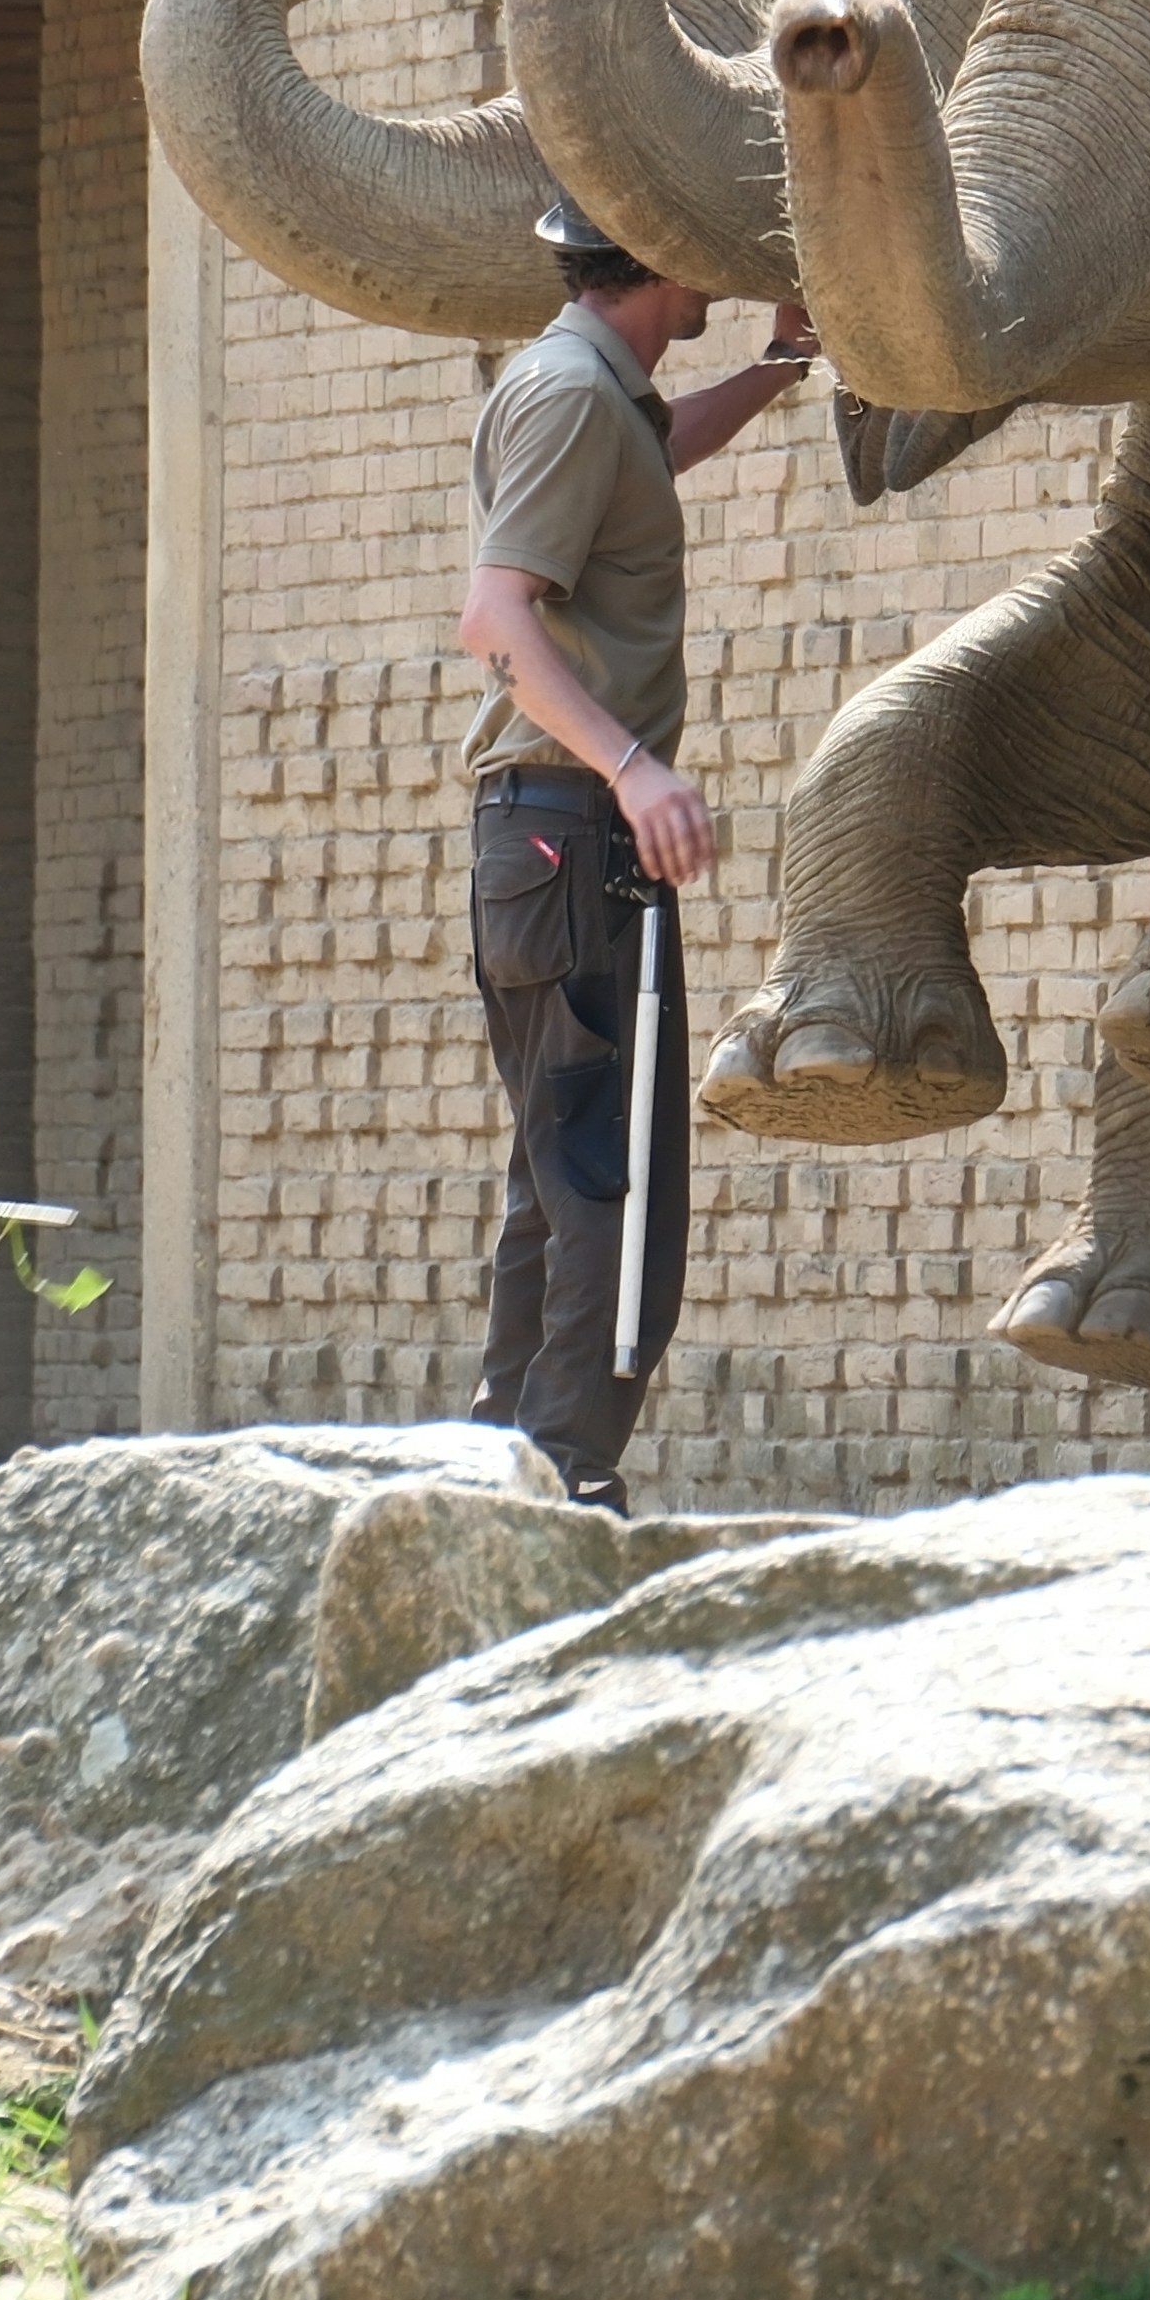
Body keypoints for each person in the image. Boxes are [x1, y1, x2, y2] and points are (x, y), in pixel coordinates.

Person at [452, 193, 812, 1503]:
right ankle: (567, 1483)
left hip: (554, 839)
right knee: (615, 1186)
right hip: (568, 830)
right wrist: (631, 765)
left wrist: (776, 370)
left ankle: (510, 1475)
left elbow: (651, 454)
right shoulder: (566, 394)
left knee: (563, 1178)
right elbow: (494, 618)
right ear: (656, 257)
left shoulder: (600, 394)